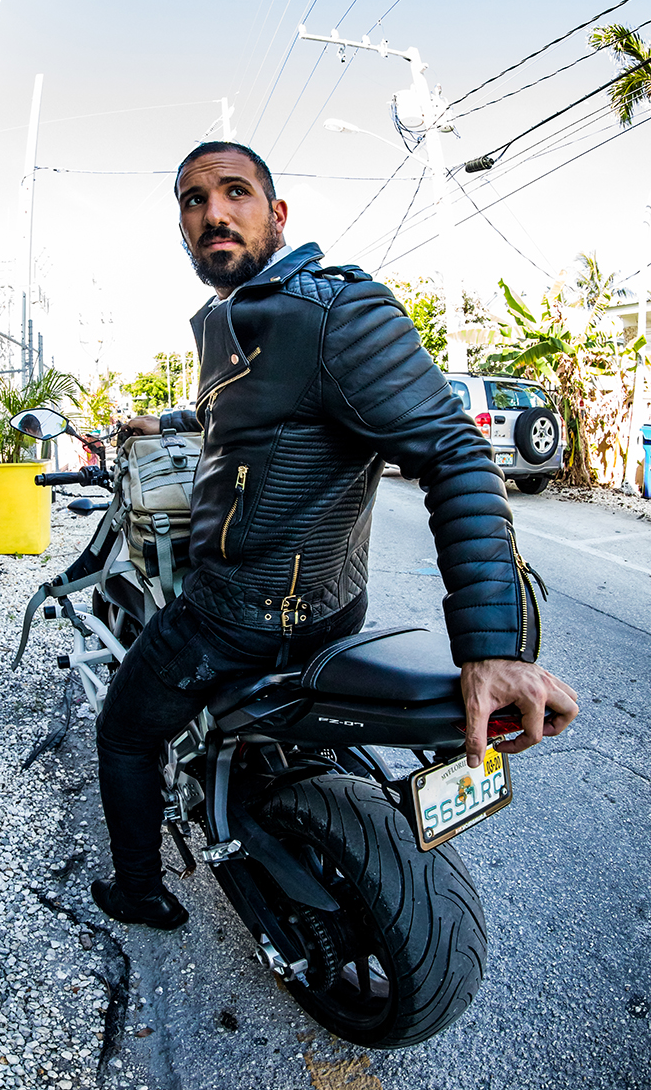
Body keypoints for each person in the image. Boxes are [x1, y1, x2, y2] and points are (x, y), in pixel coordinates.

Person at [91, 141, 578, 930]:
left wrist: (496, 647)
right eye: (193, 200)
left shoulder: (333, 311)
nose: (213, 211)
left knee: (122, 730)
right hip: (325, 606)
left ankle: (138, 892)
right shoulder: (235, 319)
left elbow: (452, 449)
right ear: (183, 229)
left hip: (234, 617)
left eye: (235, 192)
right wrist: (172, 420)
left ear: (276, 214)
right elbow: (247, 419)